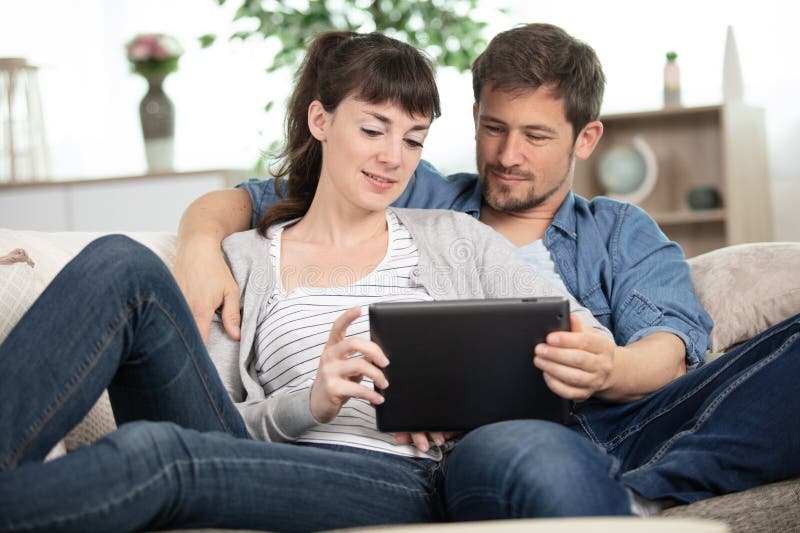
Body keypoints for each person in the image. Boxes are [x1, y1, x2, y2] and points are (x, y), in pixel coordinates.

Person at [174, 23, 800, 518]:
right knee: (523, 451)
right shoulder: (420, 196)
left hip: (618, 416)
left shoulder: (618, 229)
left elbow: (674, 350)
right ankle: (624, 497)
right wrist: (201, 242)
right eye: (494, 128)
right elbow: (271, 198)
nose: (507, 155)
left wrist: (606, 365)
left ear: (585, 140)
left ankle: (639, 490)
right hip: (491, 444)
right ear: (473, 119)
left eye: (535, 136)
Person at [0, 30, 610, 533]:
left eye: (413, 140)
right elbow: (221, 427)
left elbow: (578, 339)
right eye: (373, 130)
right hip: (259, 459)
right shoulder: (244, 258)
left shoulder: (456, 237)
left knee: (151, 458)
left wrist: (463, 400)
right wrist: (311, 402)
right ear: (322, 120)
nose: (393, 157)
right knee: (119, 262)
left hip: (399, 477)